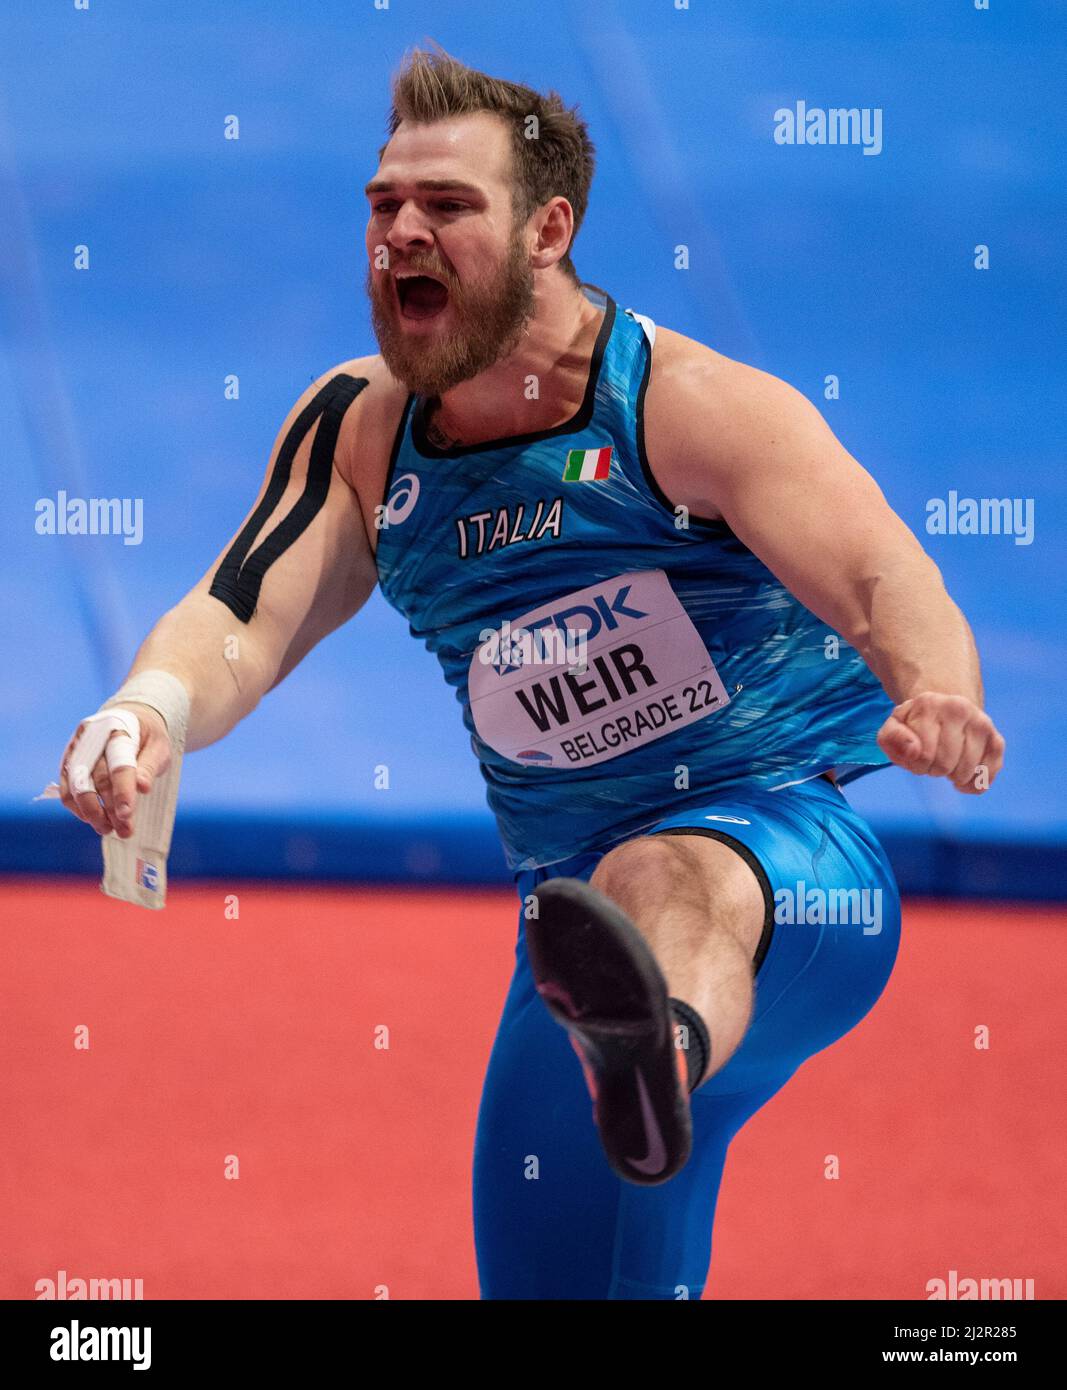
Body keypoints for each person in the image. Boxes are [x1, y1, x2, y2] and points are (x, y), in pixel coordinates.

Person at [55, 46, 1005, 1299]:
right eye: (383, 205)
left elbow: (887, 577)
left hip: (794, 875)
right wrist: (147, 708)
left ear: (549, 228)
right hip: (571, 943)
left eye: (446, 207)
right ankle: (634, 1050)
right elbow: (245, 611)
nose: (401, 232)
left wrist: (933, 687)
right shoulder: (362, 426)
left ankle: (654, 1038)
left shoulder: (687, 407)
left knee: (658, 875)